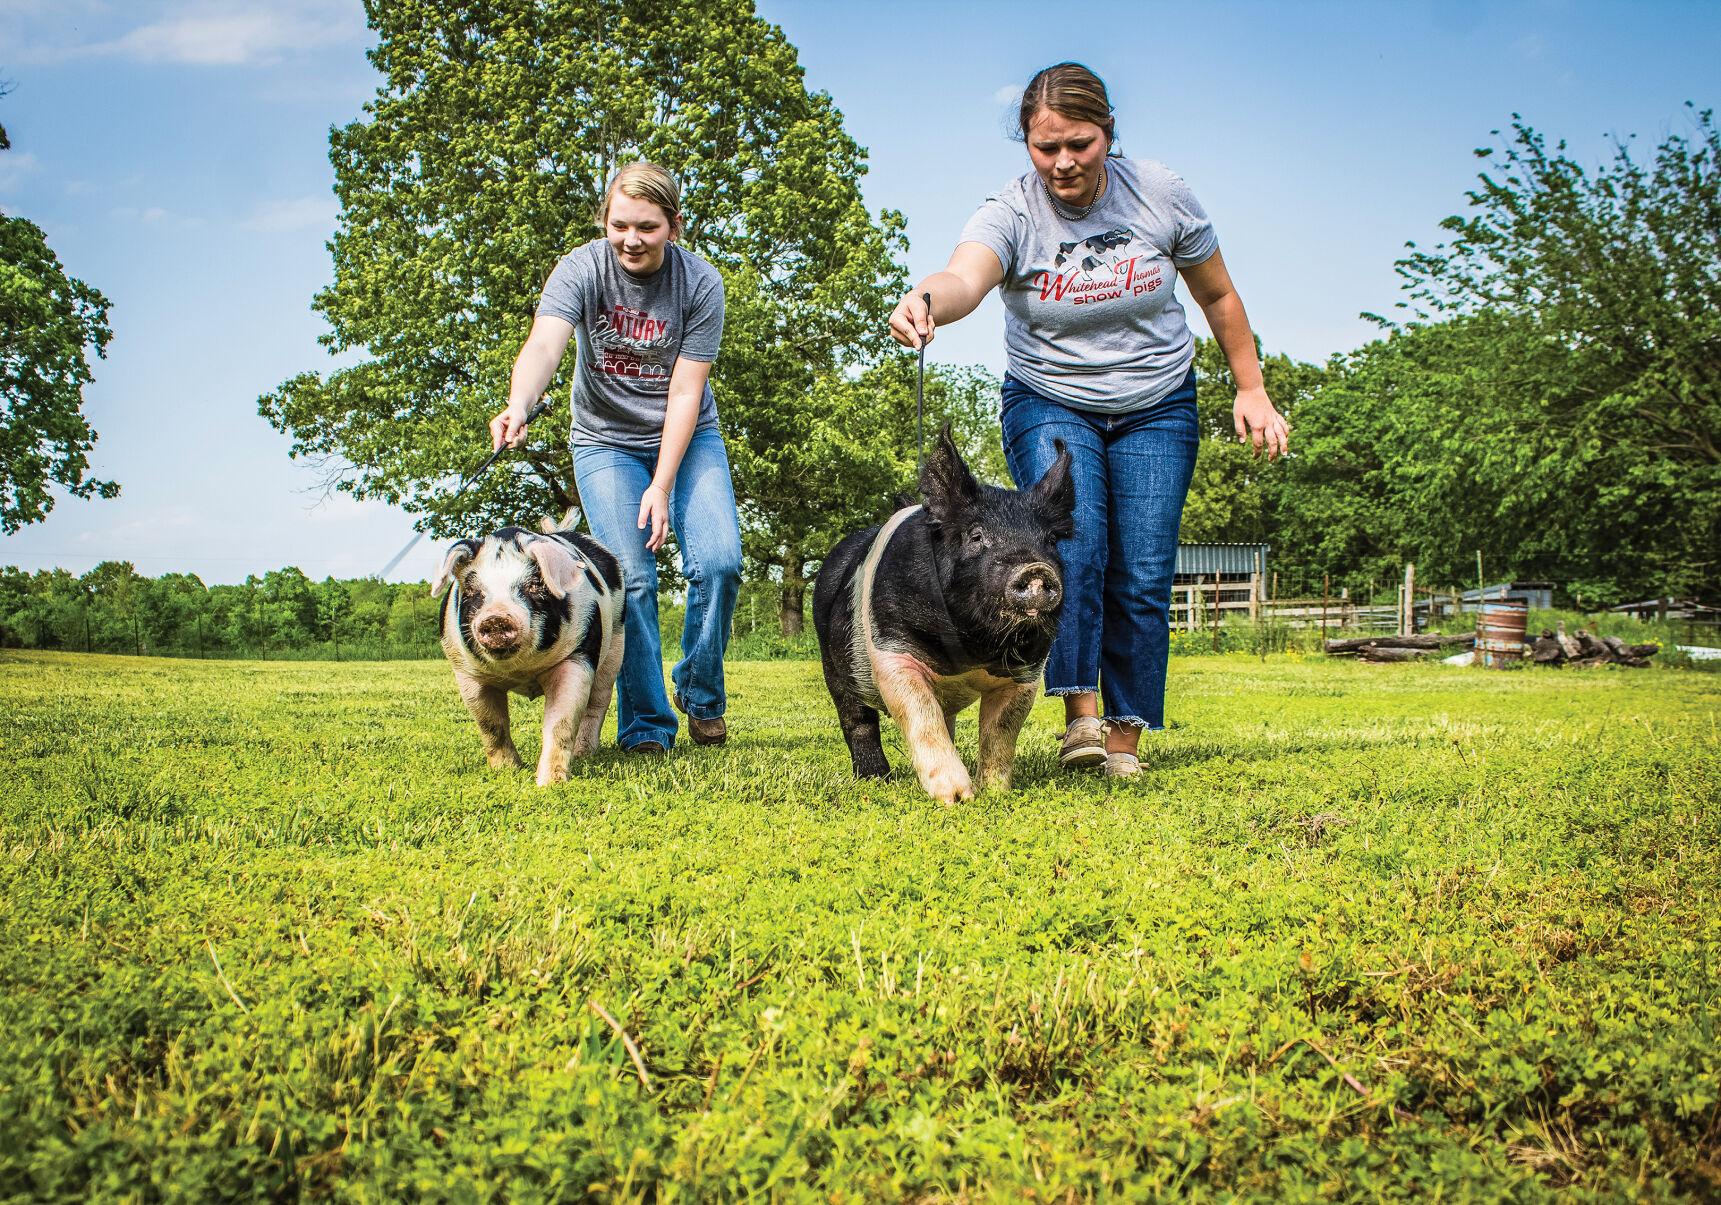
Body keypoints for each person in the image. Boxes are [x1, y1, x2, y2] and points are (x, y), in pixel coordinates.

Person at [888, 62, 1290, 779]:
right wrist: (925, 299)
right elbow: (965, 278)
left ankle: (1124, 739)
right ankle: (1080, 716)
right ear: (1026, 144)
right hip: (1049, 396)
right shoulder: (1011, 213)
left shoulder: (1160, 193)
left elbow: (1218, 295)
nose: (1063, 162)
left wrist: (1250, 386)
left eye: (1080, 143)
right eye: (1046, 148)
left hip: (1157, 402)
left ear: (1108, 133)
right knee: (1073, 550)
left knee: (1142, 567)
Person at [492, 162, 741, 754]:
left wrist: (661, 484)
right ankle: (647, 726)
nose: (631, 239)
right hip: (604, 441)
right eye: (619, 225)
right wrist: (519, 404)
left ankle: (700, 692)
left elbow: (686, 392)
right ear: (605, 220)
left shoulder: (700, 284)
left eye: (647, 227)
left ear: (674, 225)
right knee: (632, 579)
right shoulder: (581, 269)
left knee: (720, 562)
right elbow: (545, 343)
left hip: (688, 435)